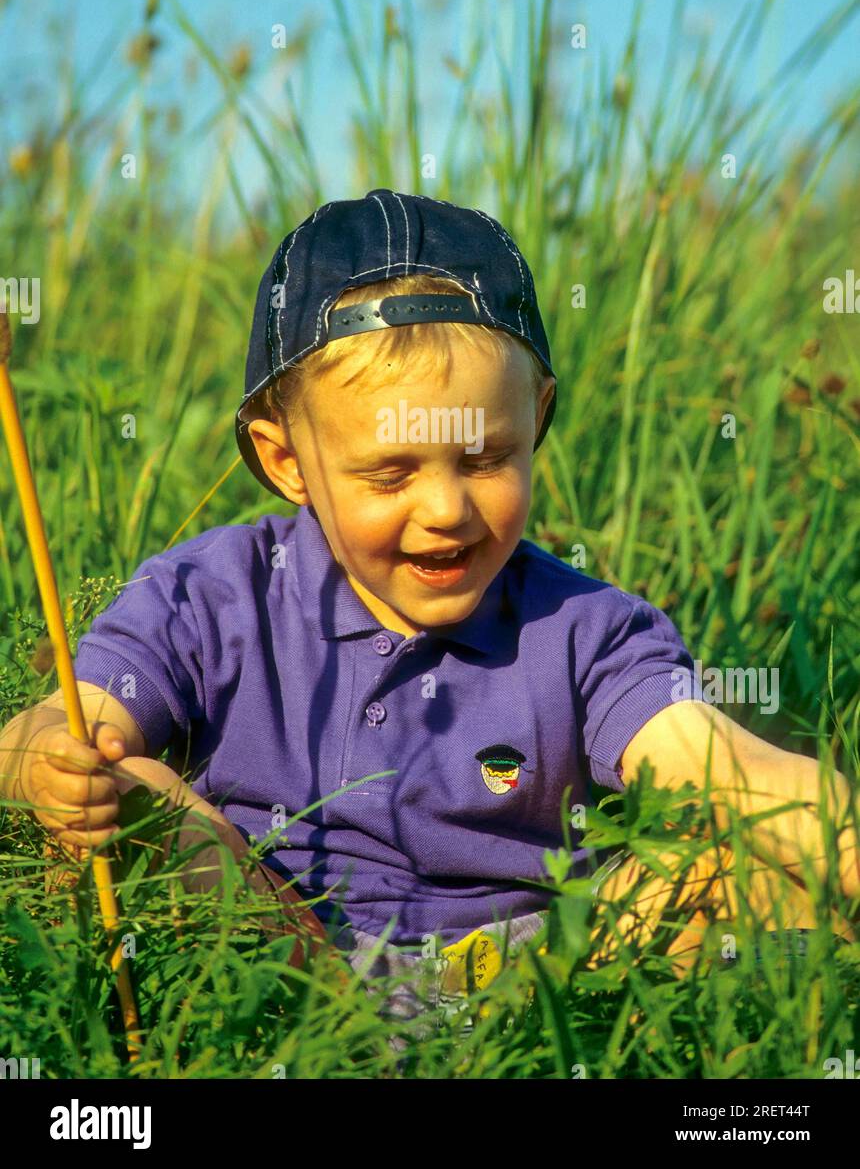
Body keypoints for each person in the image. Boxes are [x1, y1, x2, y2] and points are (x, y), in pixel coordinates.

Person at [2, 188, 857, 1037]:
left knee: (742, 863)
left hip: (542, 978)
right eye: (391, 474)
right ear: (287, 460)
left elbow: (725, 770)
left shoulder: (586, 628)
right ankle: (318, 1042)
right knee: (133, 796)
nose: (447, 508)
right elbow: (63, 723)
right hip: (280, 954)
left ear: (538, 418)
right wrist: (47, 761)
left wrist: (818, 830)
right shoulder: (211, 594)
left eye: (487, 457)